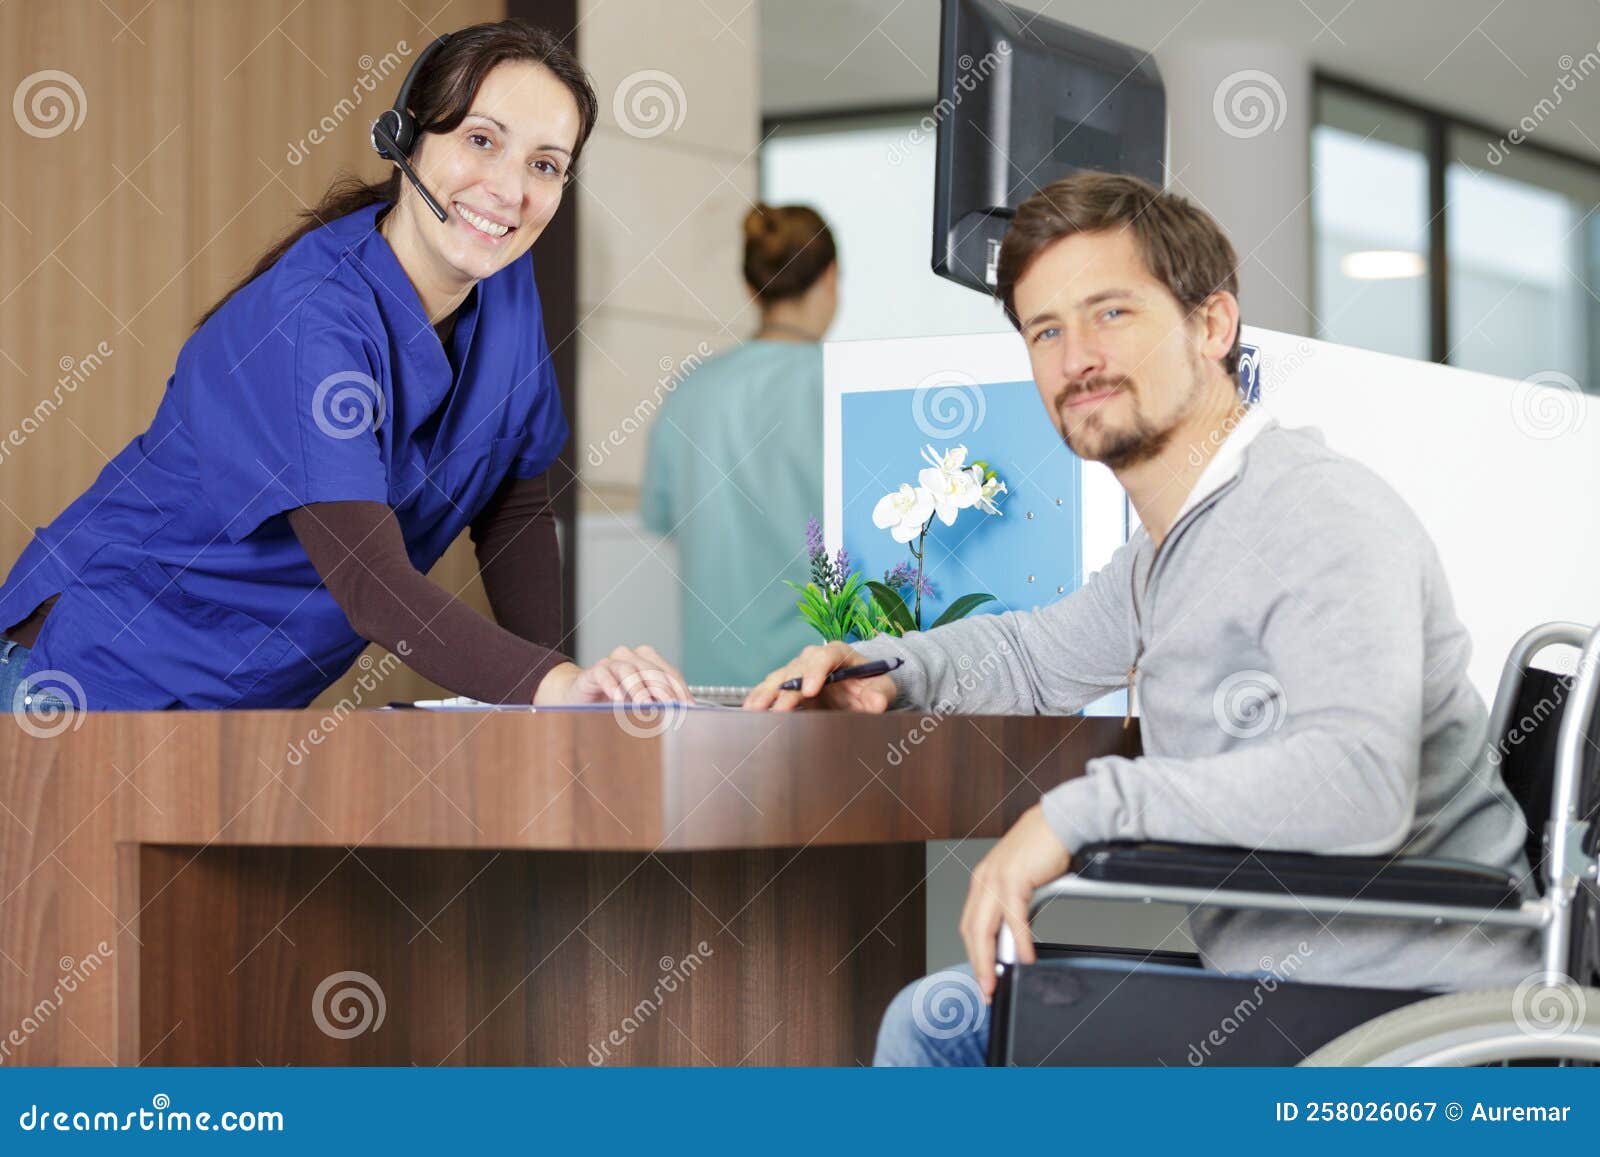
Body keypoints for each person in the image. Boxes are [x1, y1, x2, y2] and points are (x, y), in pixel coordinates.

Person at [741, 171, 1541, 1064]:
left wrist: (1080, 814)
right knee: (945, 1016)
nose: (1076, 357)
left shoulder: (1315, 513)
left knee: (940, 1031)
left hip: (1407, 1018)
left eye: (1111, 313)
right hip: (1299, 991)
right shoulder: (1176, 541)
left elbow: (1358, 785)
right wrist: (884, 668)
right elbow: (1034, 655)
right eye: (1046, 330)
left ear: (1212, 325)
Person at [0, 20, 687, 713]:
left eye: (545, 165)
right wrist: (552, 685)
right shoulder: (308, 320)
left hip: (232, 708)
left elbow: (513, 502)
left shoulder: (503, 283)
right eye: (481, 140)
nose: (510, 191)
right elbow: (369, 582)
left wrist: (552, 699)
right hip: (87, 675)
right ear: (404, 137)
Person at [640, 203, 838, 686]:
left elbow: (662, 516)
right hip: (823, 679)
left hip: (715, 680)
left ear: (752, 289)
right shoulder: (842, 387)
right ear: (831, 277)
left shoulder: (691, 390)